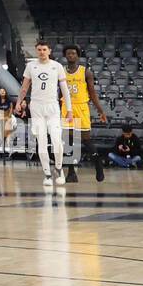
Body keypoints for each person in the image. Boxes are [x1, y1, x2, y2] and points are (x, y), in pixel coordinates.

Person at [17, 41, 69, 187]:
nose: (41, 52)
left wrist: (69, 109)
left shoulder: (57, 66)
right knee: (41, 142)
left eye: (44, 49)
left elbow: (64, 90)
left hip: (52, 107)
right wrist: (18, 102)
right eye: (39, 49)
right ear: (36, 51)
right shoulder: (30, 66)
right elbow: (24, 88)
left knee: (57, 141)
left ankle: (59, 169)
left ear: (49, 50)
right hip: (36, 107)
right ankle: (47, 174)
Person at [61, 43, 107, 183]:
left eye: (73, 53)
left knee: (86, 140)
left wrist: (101, 111)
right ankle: (71, 173)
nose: (70, 55)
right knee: (68, 142)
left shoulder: (86, 71)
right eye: (68, 53)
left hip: (81, 107)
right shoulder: (61, 70)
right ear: (65, 55)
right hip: (66, 108)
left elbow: (92, 94)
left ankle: (98, 165)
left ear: (78, 55)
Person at [0, 86, 16, 158]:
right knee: (1, 136)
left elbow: (11, 108)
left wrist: (8, 117)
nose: (2, 92)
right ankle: (2, 151)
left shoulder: (9, 100)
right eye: (1, 91)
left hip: (9, 118)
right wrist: (0, 117)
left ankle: (10, 152)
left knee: (8, 137)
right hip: (1, 118)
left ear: (5, 92)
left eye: (3, 91)